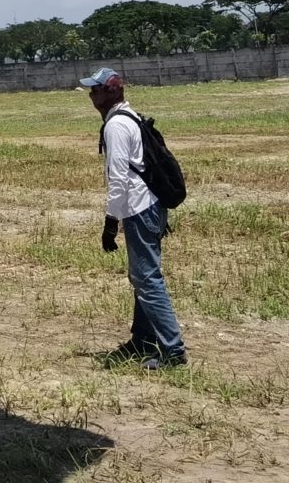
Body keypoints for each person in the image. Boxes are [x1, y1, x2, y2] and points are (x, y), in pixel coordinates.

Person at [82, 68, 186, 367]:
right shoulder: (130, 116)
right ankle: (142, 340)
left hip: (139, 208)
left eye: (96, 90)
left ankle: (173, 350)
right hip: (151, 205)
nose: (91, 95)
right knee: (142, 277)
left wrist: (110, 221)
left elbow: (118, 178)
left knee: (147, 279)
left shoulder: (116, 125)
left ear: (111, 92)